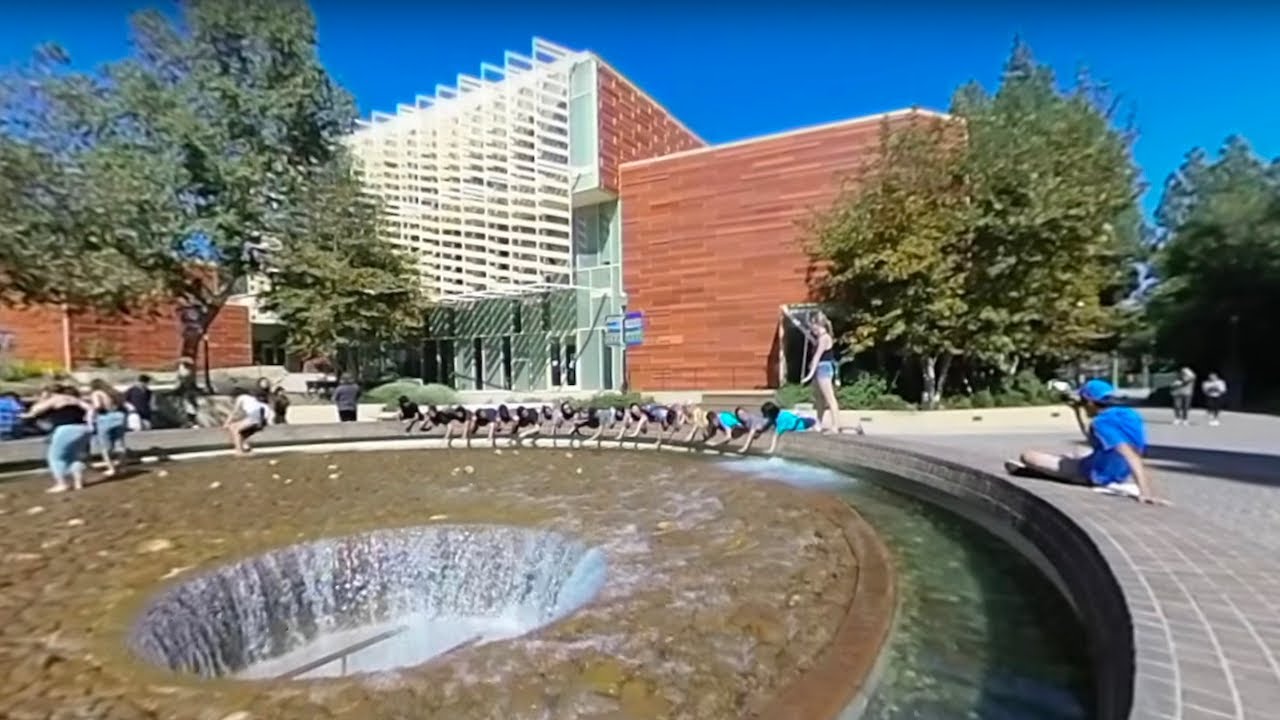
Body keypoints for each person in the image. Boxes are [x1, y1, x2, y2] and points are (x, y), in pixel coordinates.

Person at [1009, 379, 1168, 506]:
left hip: (1098, 475)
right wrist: (1078, 411)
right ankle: (1064, 466)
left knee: (1028, 456)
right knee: (1076, 451)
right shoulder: (1128, 414)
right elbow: (1094, 437)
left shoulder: (1101, 423)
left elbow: (1130, 455)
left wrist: (1145, 492)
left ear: (1090, 403)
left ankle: (1056, 473)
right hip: (1118, 470)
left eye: (1083, 402)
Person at [22, 385, 93, 492]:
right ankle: (79, 482)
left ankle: (62, 484)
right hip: (83, 428)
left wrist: (40, 402)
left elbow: (36, 410)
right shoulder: (74, 399)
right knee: (74, 457)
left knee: (55, 458)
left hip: (66, 429)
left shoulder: (55, 399)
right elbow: (90, 408)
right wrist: (89, 420)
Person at [801, 314, 843, 433]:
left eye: (813, 326)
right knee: (819, 399)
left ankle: (835, 426)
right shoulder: (820, 338)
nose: (812, 330)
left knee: (830, 398)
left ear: (818, 325)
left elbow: (817, 357)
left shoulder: (824, 338)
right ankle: (818, 424)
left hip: (823, 369)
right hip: (820, 369)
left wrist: (808, 375)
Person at [739, 401, 818, 454]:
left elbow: (776, 436)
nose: (763, 416)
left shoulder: (781, 419)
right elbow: (765, 426)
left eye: (765, 414)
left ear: (770, 414)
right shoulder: (777, 415)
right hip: (806, 420)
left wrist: (771, 450)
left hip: (807, 424)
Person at [87, 379, 128, 476]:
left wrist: (91, 412)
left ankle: (111, 468)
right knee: (120, 444)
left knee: (105, 446)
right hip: (119, 417)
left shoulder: (97, 393)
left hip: (105, 418)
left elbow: (97, 405)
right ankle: (122, 467)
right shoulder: (113, 392)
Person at [224, 387, 271, 456]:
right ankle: (245, 447)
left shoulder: (241, 397)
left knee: (235, 430)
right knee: (234, 428)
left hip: (255, 416)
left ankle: (239, 451)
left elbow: (234, 412)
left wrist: (226, 422)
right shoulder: (251, 398)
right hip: (260, 418)